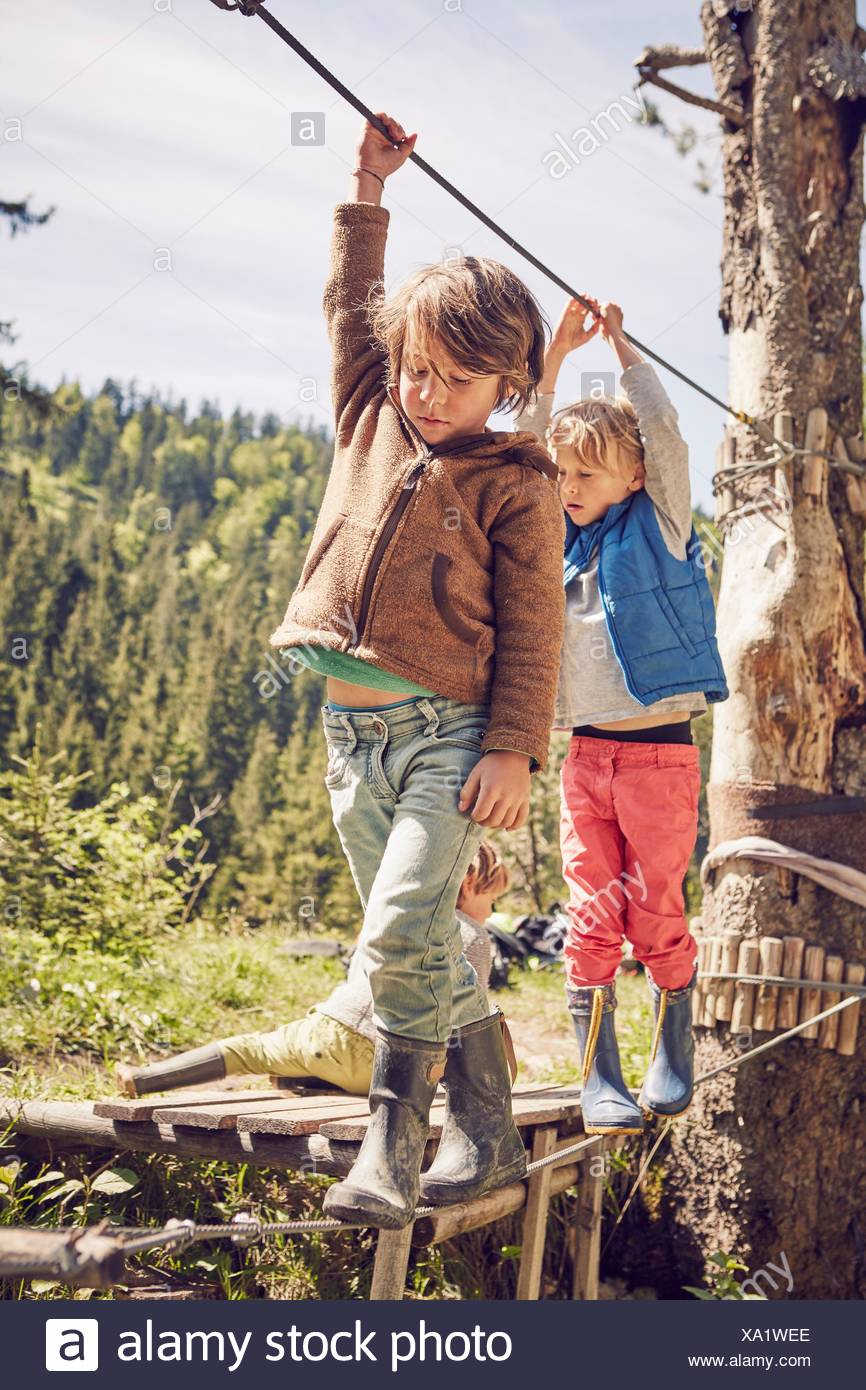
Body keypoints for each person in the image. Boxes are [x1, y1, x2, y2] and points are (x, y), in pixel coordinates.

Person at [264, 112, 565, 1228]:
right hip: (352, 744)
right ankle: (485, 1131)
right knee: (423, 938)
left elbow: (533, 630)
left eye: (457, 378)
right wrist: (364, 185)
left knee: (395, 934)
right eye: (417, 369)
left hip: (447, 737)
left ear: (509, 384)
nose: (428, 393)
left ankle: (391, 1145)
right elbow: (352, 298)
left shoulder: (514, 483)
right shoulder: (368, 408)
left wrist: (509, 749)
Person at [514, 295, 728, 1136]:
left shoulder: (663, 522)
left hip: (660, 762)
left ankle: (673, 1042)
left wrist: (624, 350)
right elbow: (526, 451)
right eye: (563, 475)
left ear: (633, 477)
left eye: (587, 474)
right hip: (586, 763)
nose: (568, 487)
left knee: (656, 913)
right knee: (592, 912)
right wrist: (557, 358)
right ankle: (597, 1072)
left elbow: (667, 434)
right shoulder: (551, 536)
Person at [115, 843, 508, 1099]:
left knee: (248, 1050)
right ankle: (325, 1080)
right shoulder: (473, 935)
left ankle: (145, 1078)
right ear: (470, 881)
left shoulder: (388, 916)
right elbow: (465, 1019)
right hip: (388, 1066)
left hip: (330, 1033)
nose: (492, 911)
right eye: (492, 898)